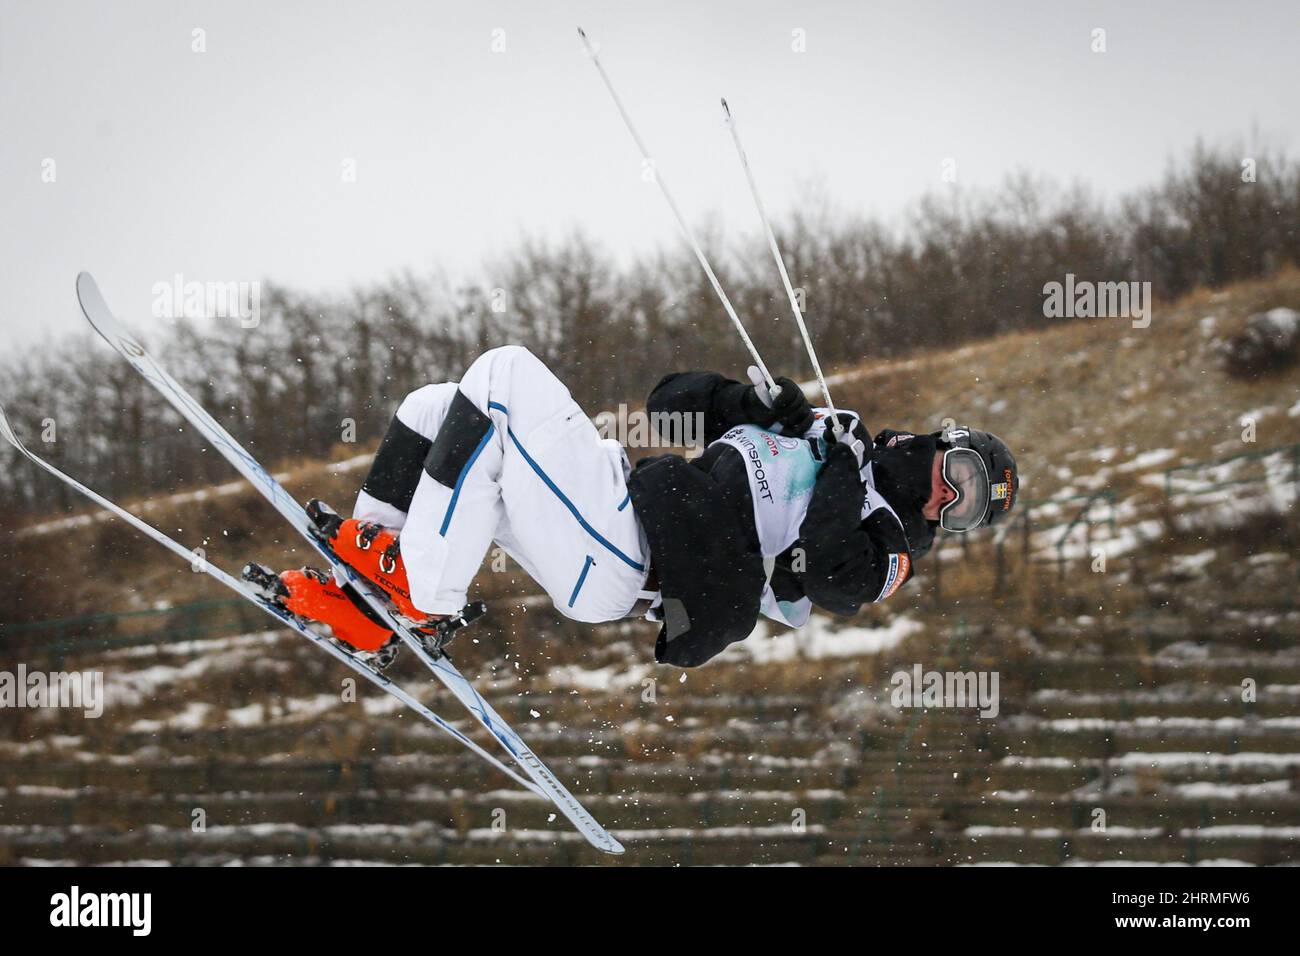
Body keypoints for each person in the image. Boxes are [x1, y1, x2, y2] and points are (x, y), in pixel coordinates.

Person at [247, 346, 1018, 668]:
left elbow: (823, 576)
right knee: (437, 405)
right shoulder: (819, 438)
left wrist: (841, 461)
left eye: (963, 510)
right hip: (617, 498)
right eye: (961, 477)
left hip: (630, 557)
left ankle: (424, 587)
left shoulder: (887, 546)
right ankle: (373, 601)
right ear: (940, 443)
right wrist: (752, 402)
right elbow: (666, 407)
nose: (945, 498)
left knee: (506, 376)